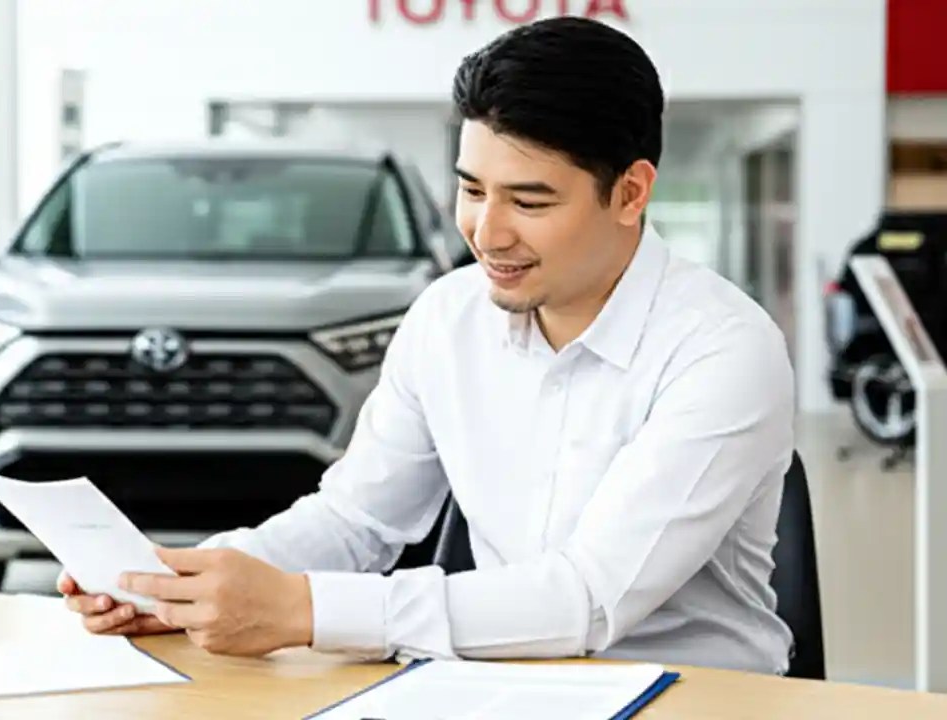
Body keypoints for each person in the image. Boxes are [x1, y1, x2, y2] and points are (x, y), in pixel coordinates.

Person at [60, 16, 795, 674]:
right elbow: (355, 520)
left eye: (530, 201)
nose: (487, 231)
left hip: (696, 696)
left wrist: (303, 610)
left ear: (631, 193)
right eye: (472, 190)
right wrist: (185, 587)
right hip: (500, 685)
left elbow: (591, 598)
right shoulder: (448, 318)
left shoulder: (724, 350)